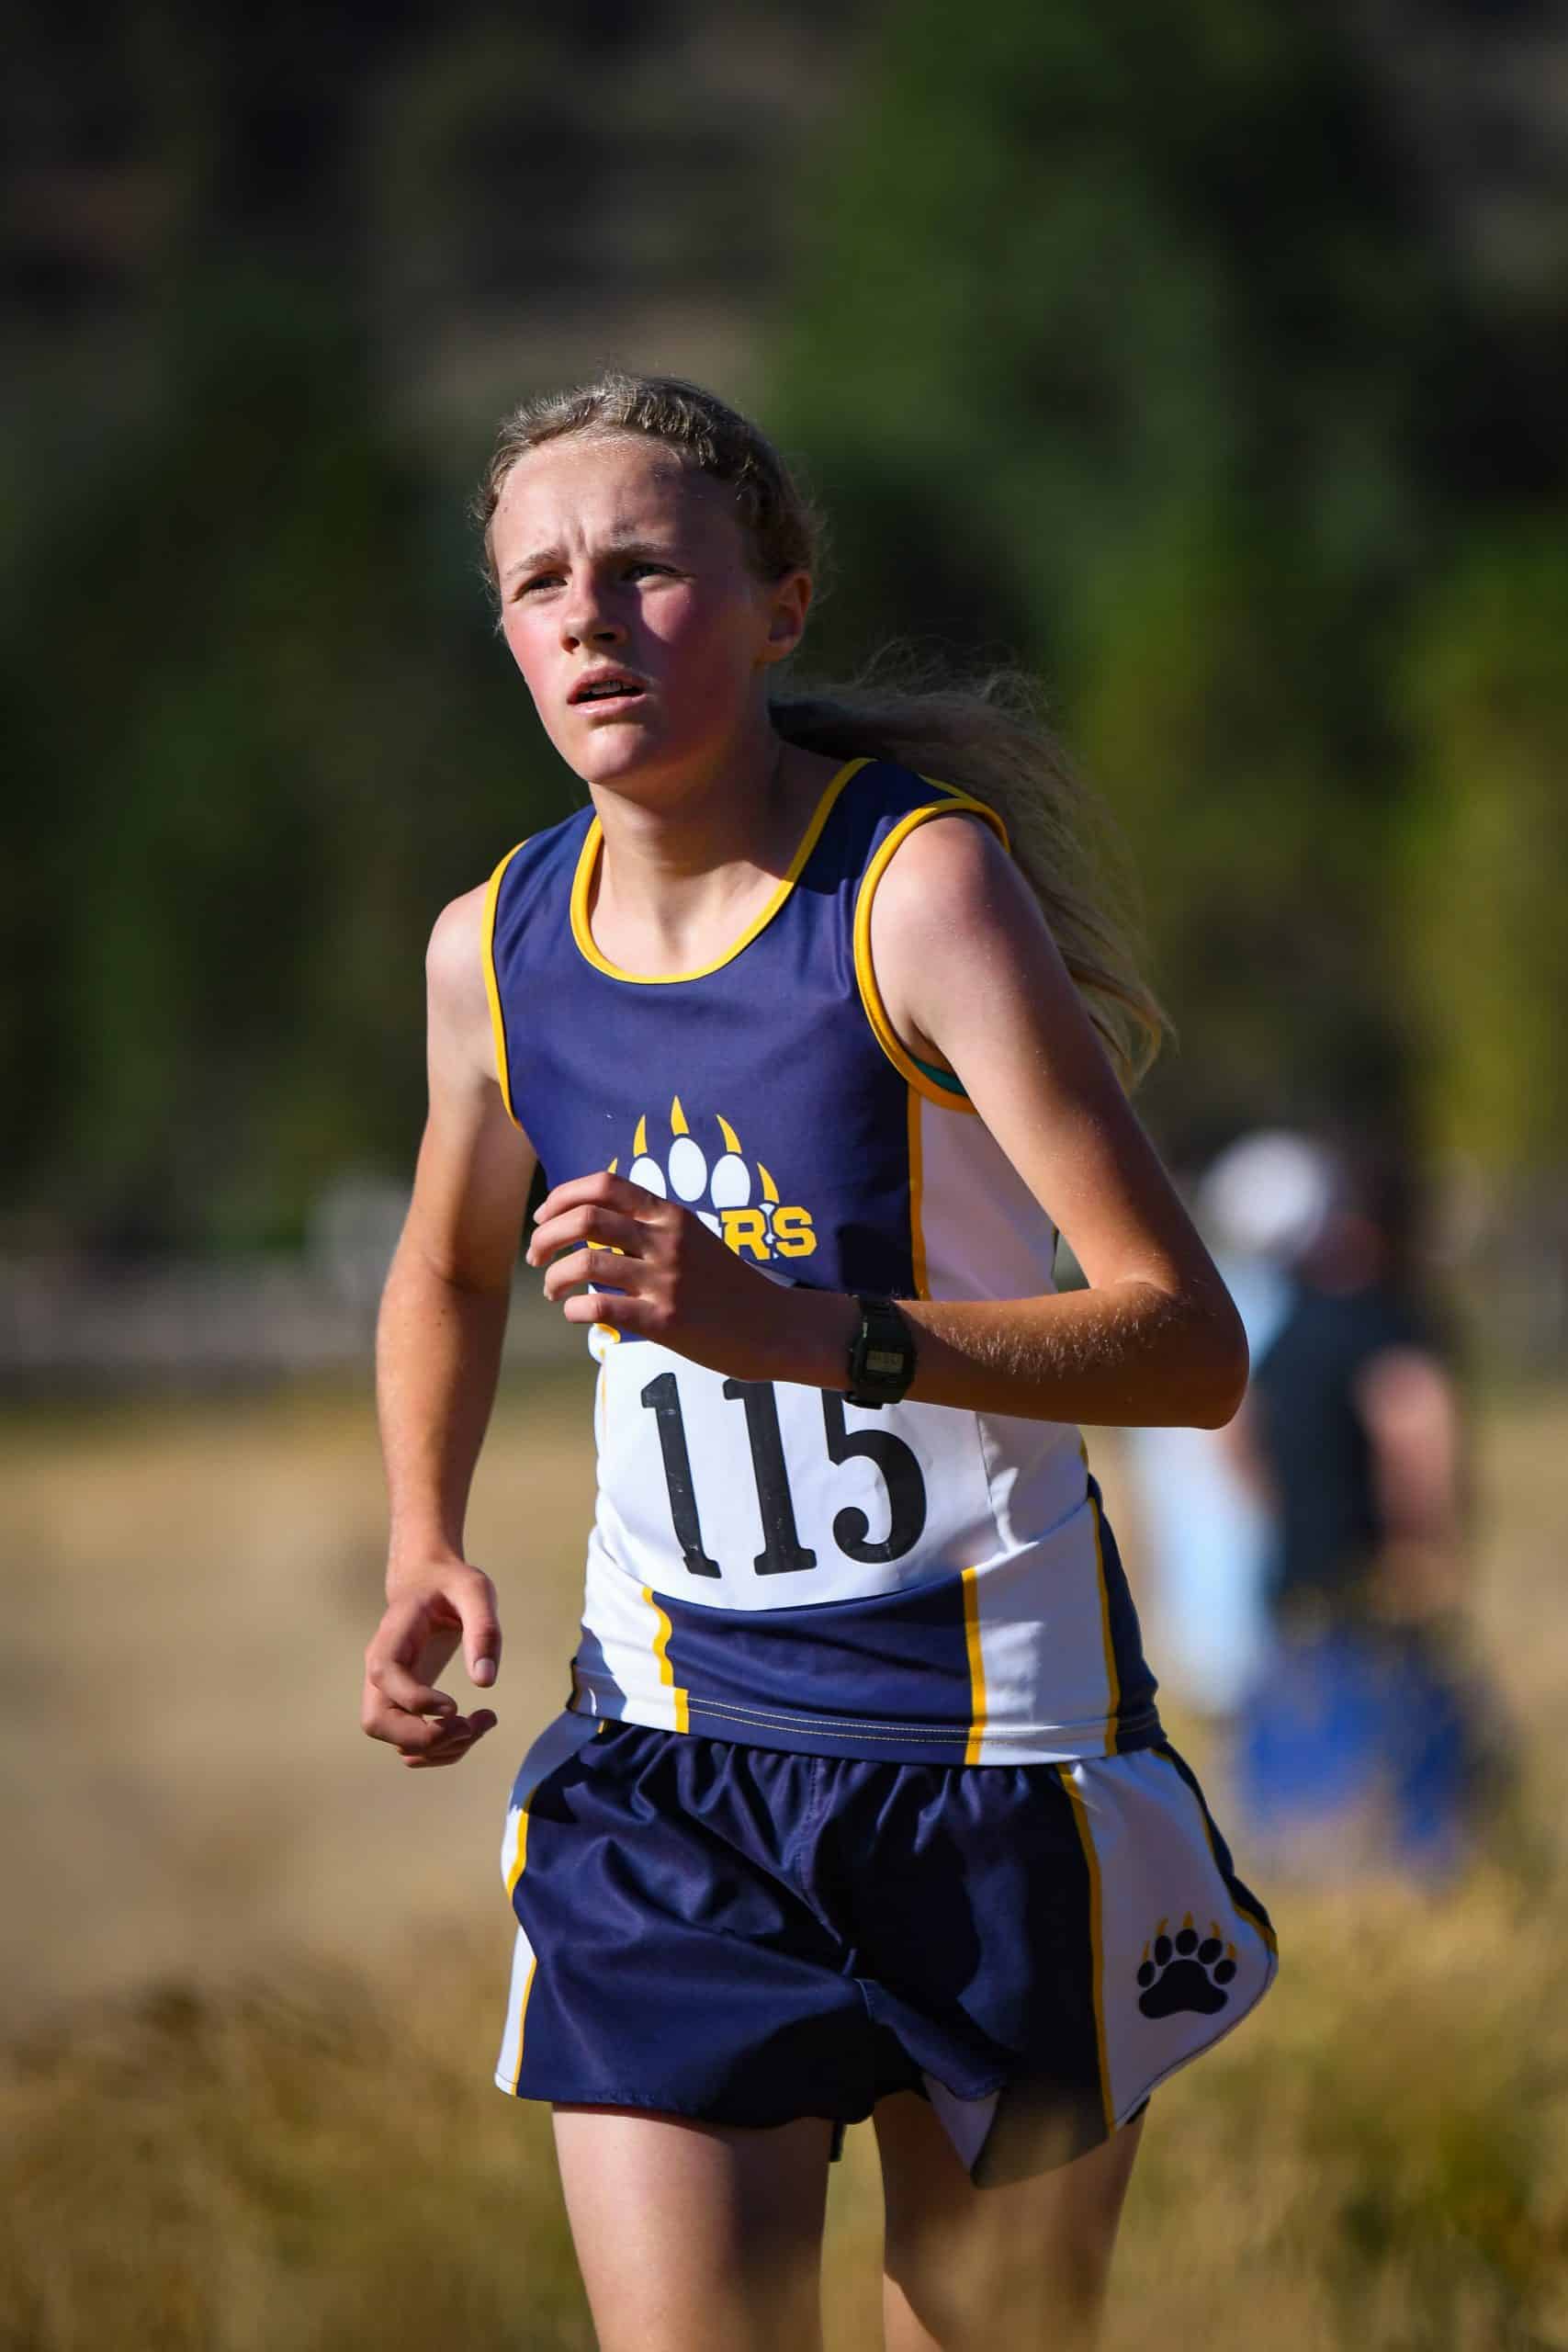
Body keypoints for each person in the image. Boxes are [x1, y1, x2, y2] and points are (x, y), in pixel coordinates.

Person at [360, 373, 1277, 2352]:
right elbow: (442, 1258)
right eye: (538, 584)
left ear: (779, 603)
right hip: (668, 1770)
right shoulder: (491, 947)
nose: (589, 617)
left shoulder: (916, 892)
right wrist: (422, 1530)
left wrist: (791, 1327)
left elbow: (1186, 1342)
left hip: (992, 1765)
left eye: (642, 567)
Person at [1235, 1143, 1497, 1876]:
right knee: (1409, 1778)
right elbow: (1417, 1429)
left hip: (1293, 1578)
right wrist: (1427, 1542)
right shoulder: (1385, 1324)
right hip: (1377, 1583)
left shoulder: (1285, 1331)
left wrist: (1277, 1512)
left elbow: (1233, 1435)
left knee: (1302, 1775)